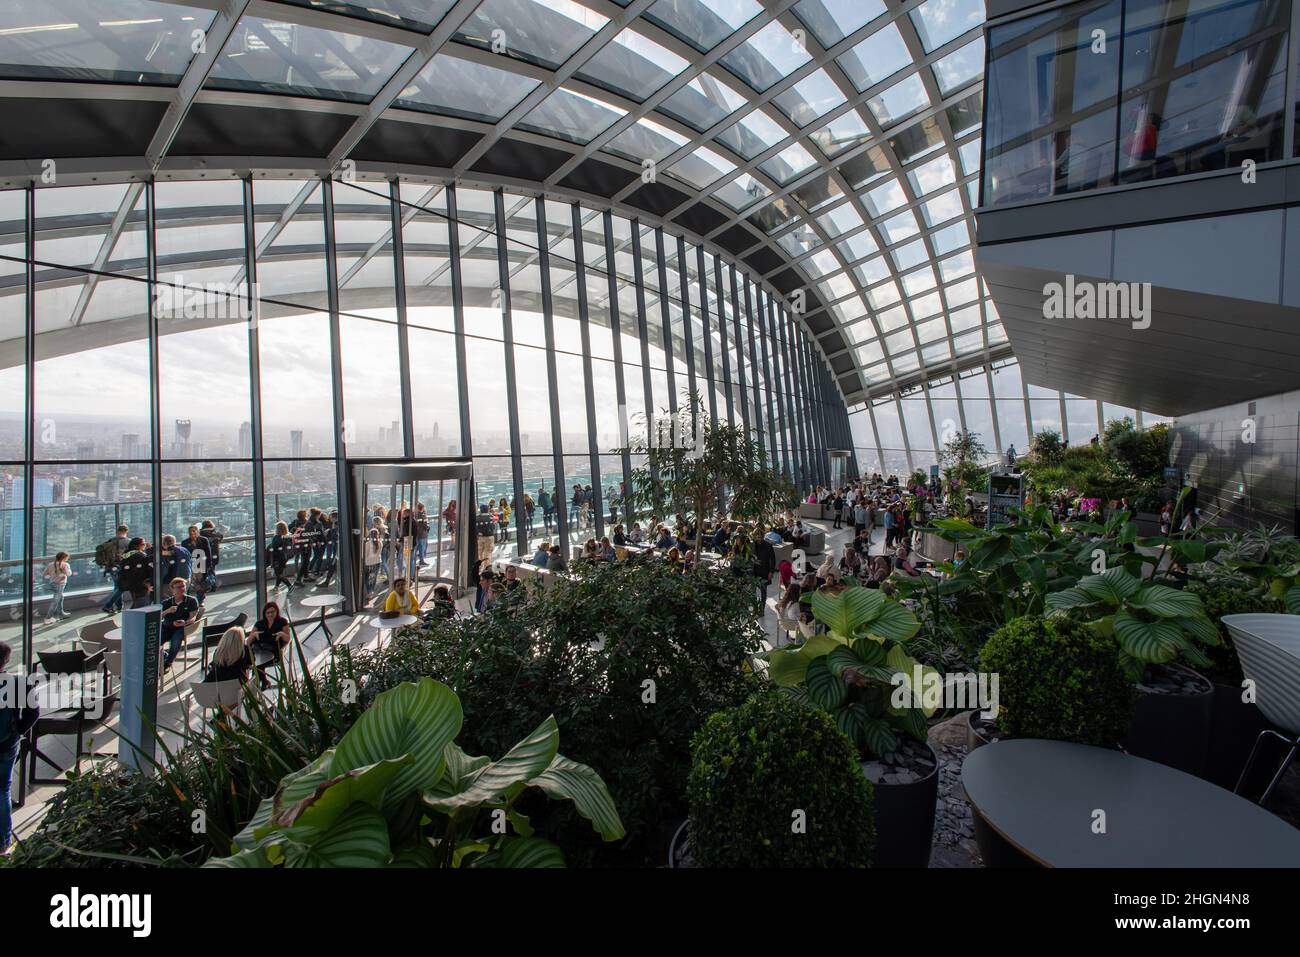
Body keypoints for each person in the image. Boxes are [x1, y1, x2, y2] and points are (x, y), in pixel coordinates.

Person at [0, 641, 38, 854]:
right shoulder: (19, 683)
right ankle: (3, 843)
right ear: (6, 661)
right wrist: (18, 732)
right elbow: (34, 713)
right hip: (7, 744)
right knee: (2, 791)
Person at [160, 577, 200, 671]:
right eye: (178, 587)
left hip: (181, 628)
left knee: (176, 642)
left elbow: (193, 617)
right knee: (155, 641)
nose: (182, 589)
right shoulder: (167, 602)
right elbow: (158, 616)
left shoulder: (191, 601)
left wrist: (184, 623)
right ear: (172, 589)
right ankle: (164, 655)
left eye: (183, 586)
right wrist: (167, 611)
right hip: (167, 627)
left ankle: (168, 663)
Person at [250, 601, 291, 687]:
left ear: (277, 611)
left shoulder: (282, 622)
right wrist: (254, 635)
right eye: (268, 612)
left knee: (257, 664)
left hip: (274, 651)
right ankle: (263, 682)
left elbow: (288, 639)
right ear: (264, 613)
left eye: (273, 612)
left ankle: (259, 683)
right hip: (259, 650)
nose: (270, 614)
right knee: (256, 661)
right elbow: (248, 641)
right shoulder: (259, 623)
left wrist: (282, 634)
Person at [96, 524, 131, 614]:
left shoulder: (111, 540)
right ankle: (108, 605)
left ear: (117, 531)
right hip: (120, 567)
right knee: (121, 587)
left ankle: (119, 606)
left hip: (110, 567)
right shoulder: (128, 541)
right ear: (126, 531)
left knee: (117, 586)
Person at [117, 538, 153, 608]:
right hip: (139, 583)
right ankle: (133, 617)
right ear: (136, 546)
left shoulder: (127, 554)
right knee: (141, 603)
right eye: (143, 544)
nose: (145, 545)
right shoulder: (140, 555)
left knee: (137, 601)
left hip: (131, 583)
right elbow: (144, 570)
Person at [42, 551, 71, 623]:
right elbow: (68, 574)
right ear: (64, 558)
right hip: (60, 584)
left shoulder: (50, 564)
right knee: (55, 601)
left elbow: (45, 574)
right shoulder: (65, 564)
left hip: (53, 583)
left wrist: (53, 577)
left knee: (60, 598)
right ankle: (48, 618)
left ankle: (61, 613)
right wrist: (67, 571)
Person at [414, 503, 430, 567]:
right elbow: (425, 524)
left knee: (418, 547)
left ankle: (416, 559)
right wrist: (428, 528)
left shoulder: (415, 515)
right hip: (422, 534)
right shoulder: (423, 515)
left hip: (419, 533)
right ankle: (421, 560)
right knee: (421, 547)